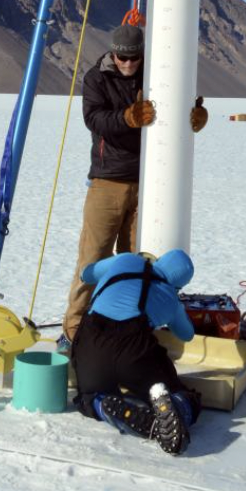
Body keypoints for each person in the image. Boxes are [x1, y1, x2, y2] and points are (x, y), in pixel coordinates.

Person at [60, 22, 208, 345]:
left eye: (134, 59)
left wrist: (193, 116)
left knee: (138, 263)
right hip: (107, 182)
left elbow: (171, 111)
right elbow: (94, 119)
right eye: (122, 59)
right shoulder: (96, 78)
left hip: (147, 183)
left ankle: (130, 333)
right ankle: (73, 332)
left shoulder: (155, 75)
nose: (128, 65)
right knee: (93, 259)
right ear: (114, 54)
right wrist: (127, 117)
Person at [71, 248, 202, 455]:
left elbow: (86, 274)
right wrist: (176, 305)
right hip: (134, 353)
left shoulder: (125, 260)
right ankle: (177, 410)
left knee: (87, 396)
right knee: (180, 394)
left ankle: (102, 405)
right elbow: (187, 334)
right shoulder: (170, 300)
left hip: (91, 345)